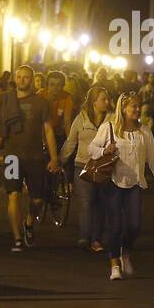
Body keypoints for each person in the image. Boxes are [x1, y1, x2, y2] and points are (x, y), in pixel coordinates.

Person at [88, 91, 154, 280]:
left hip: (135, 183)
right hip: (113, 183)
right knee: (115, 225)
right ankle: (114, 263)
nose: (137, 110)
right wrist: (105, 150)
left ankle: (125, 250)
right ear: (123, 109)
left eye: (139, 106)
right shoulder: (109, 127)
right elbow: (91, 149)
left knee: (134, 225)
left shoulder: (144, 131)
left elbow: (153, 159)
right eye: (133, 106)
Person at [0, 65, 60, 253]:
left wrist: (54, 158)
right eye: (19, 77)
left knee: (37, 199)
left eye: (26, 77)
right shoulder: (7, 100)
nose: (22, 80)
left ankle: (29, 223)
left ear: (32, 79)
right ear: (15, 78)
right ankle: (17, 238)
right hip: (12, 156)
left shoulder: (41, 102)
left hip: (35, 156)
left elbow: (48, 130)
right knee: (13, 194)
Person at [61, 85, 111, 253]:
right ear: (93, 102)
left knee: (101, 203)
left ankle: (96, 239)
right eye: (103, 99)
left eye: (107, 99)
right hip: (82, 165)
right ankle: (85, 236)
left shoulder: (111, 119)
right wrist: (59, 160)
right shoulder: (81, 119)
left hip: (104, 168)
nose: (107, 102)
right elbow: (71, 142)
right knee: (86, 202)